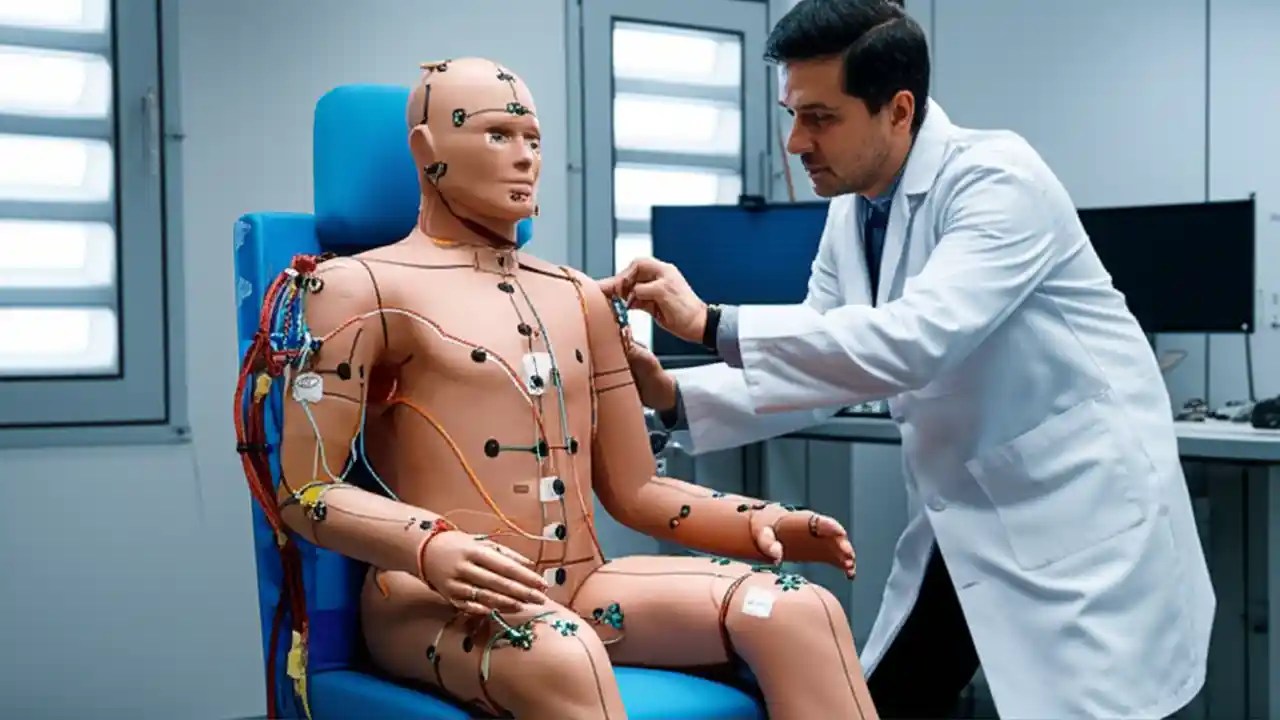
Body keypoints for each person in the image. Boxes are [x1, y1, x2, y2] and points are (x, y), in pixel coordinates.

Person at [599, 1, 1216, 718]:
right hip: (968, 517)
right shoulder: (856, 205)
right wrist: (673, 398)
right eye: (792, 114)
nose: (796, 142)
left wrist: (709, 323)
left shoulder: (998, 180)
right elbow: (828, 355)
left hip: (1074, 517)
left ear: (898, 110)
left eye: (821, 118)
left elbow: (914, 341)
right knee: (883, 698)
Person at [236, 57, 878, 719]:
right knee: (562, 653)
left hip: (580, 586)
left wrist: (760, 522)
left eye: (534, 139)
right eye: (497, 135)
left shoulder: (577, 296)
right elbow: (305, 491)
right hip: (429, 597)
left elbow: (637, 490)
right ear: (426, 150)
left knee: (799, 610)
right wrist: (428, 544)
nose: (525, 158)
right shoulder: (358, 288)